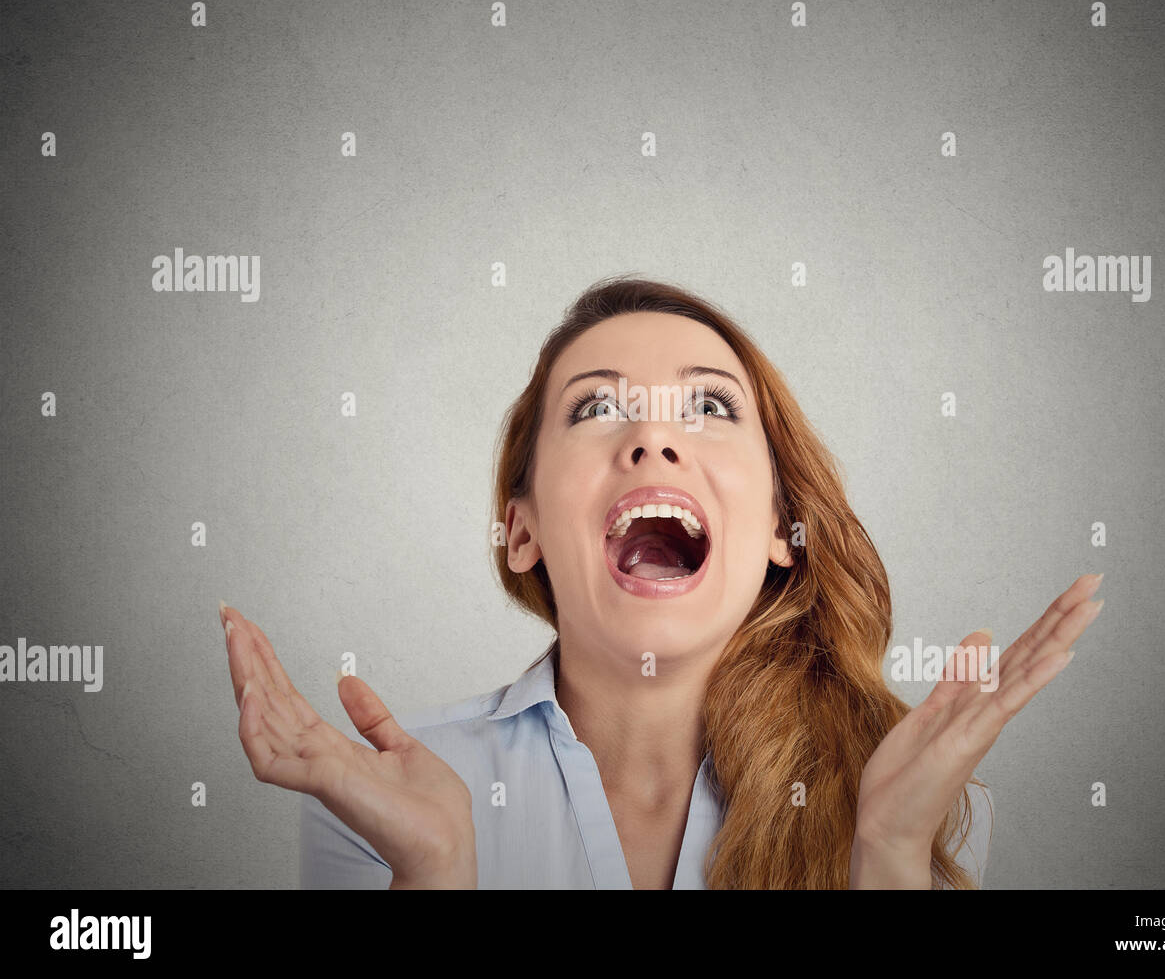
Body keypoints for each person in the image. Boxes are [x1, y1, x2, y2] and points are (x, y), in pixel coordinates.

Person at [219, 274, 1104, 889]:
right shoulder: (379, 796)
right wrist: (436, 871)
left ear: (775, 528)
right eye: (596, 407)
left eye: (710, 406)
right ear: (521, 529)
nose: (652, 440)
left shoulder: (917, 800)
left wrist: (894, 854)